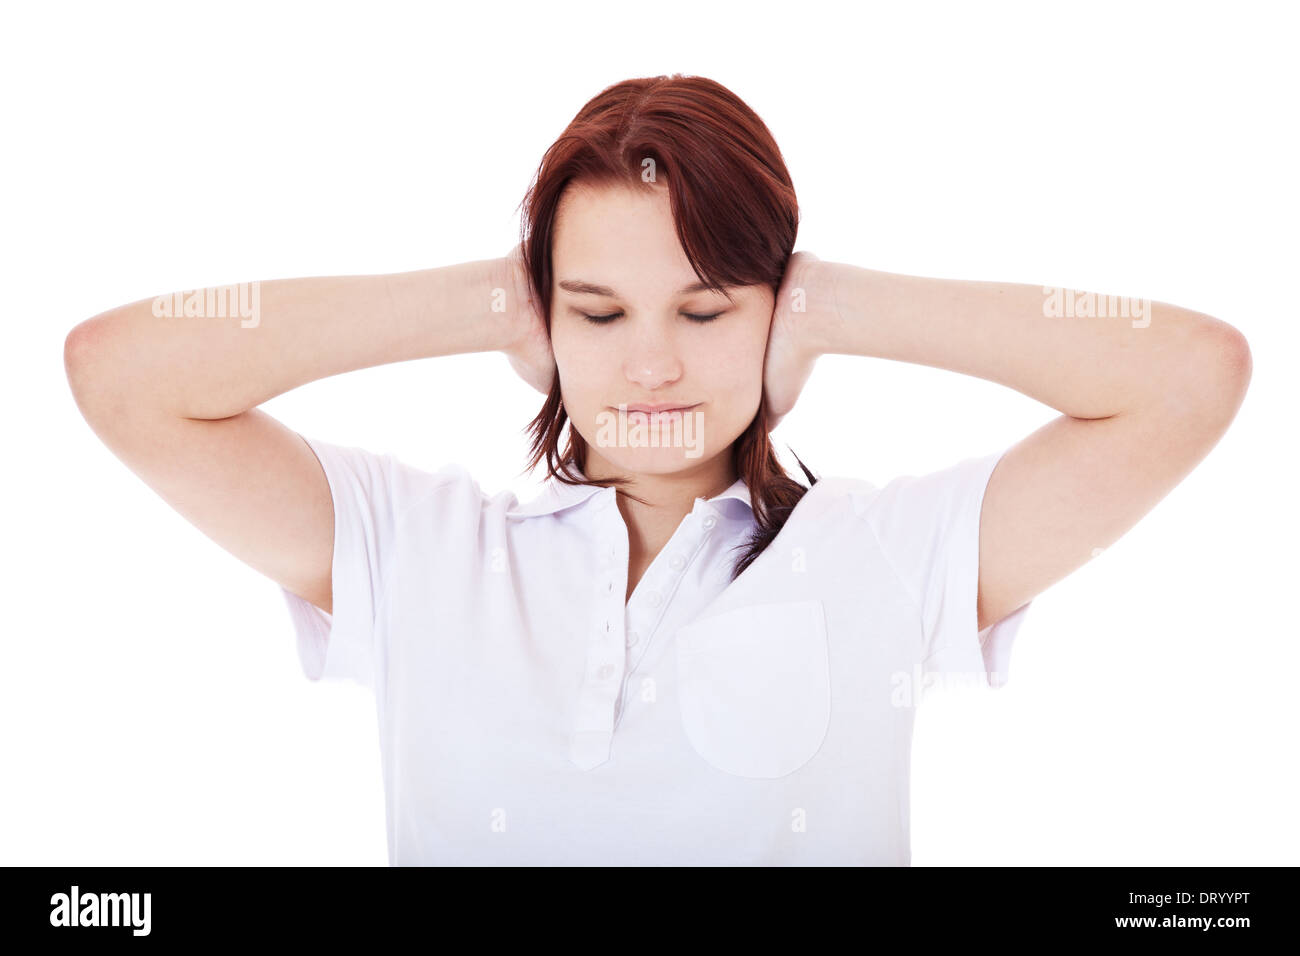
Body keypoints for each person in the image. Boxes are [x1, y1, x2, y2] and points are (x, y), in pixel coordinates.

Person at [63, 74, 1251, 865]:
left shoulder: (886, 554)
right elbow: (119, 373)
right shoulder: (412, 547)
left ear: (771, 308)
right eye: (597, 311)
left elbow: (1191, 376)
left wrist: (835, 305)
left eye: (705, 307)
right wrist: (487, 299)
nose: (649, 367)